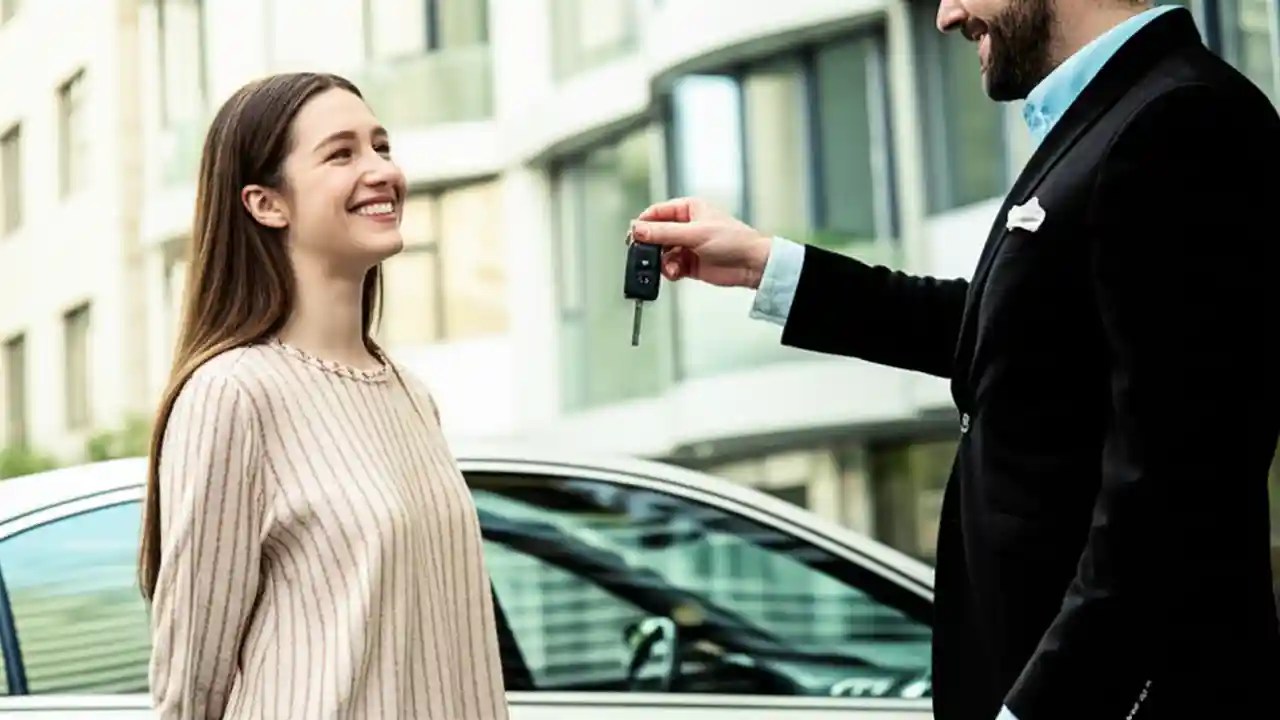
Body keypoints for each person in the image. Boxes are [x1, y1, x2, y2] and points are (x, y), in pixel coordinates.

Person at [629, 2, 1280, 719]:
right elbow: (1010, 335)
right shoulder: (1118, 117)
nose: (947, 14)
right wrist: (767, 266)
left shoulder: (1181, 122)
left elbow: (1174, 487)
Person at [137, 72, 509, 719]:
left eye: (381, 147)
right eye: (341, 154)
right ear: (265, 204)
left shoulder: (410, 395)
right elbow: (190, 682)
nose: (382, 171)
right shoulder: (232, 394)